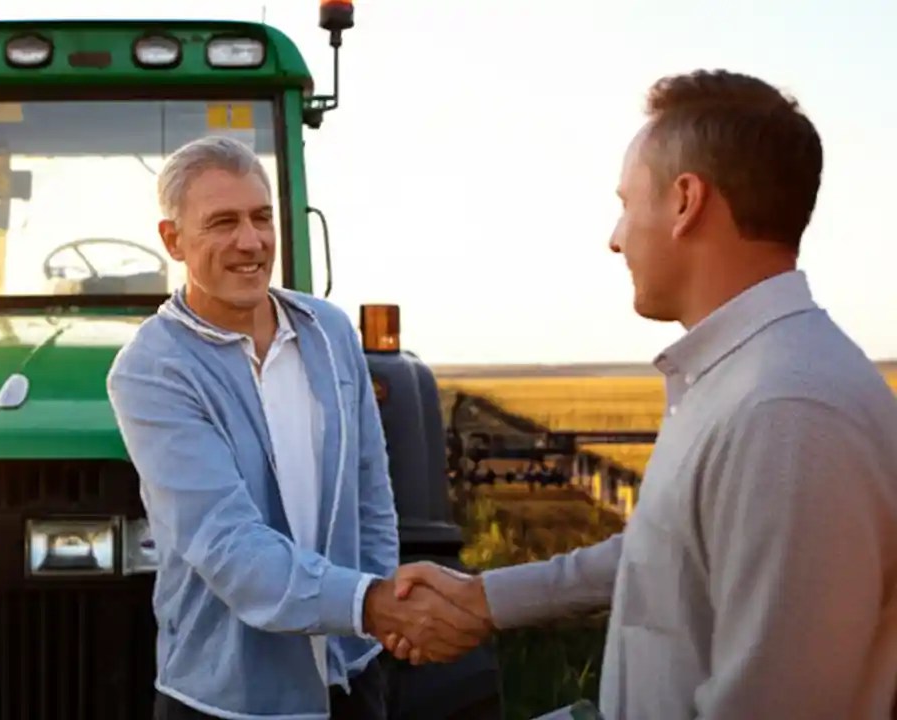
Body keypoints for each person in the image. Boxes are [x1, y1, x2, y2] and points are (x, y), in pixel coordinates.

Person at [385, 69, 897, 719]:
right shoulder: (735, 380)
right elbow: (665, 553)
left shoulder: (787, 414)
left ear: (685, 203)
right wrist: (486, 598)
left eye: (627, 202)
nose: (616, 236)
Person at [106, 135, 485, 720]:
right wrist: (374, 605)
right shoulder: (152, 370)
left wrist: (382, 623)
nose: (251, 242)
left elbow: (371, 498)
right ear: (172, 240)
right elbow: (228, 547)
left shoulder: (329, 332)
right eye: (222, 222)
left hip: (351, 677)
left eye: (262, 218)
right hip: (230, 701)